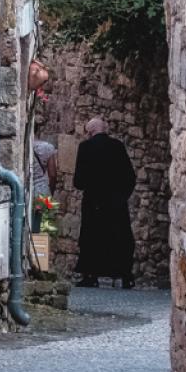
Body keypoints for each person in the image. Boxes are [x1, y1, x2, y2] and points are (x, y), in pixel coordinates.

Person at [72, 117, 137, 288]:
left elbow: (78, 181)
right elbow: (130, 176)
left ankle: (90, 275)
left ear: (90, 132)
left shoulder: (85, 148)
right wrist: (122, 196)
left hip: (94, 202)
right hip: (116, 202)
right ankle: (125, 275)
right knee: (120, 237)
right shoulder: (118, 147)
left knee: (91, 238)